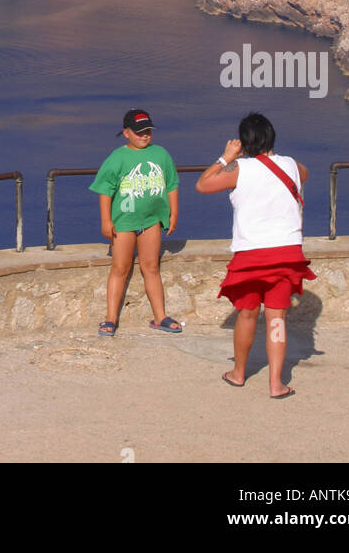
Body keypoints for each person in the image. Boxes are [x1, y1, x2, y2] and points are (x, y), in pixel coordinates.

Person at [196, 111, 316, 398]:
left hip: (251, 254)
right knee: (276, 319)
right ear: (271, 137)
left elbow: (203, 185)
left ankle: (238, 373)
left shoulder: (239, 170)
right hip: (286, 254)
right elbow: (305, 174)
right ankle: (276, 383)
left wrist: (226, 157)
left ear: (244, 142)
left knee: (247, 315)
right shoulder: (292, 166)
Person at [89, 109, 182, 336]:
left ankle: (160, 316)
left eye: (148, 131)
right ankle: (111, 318)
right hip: (124, 222)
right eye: (139, 132)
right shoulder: (117, 158)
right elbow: (105, 190)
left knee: (151, 267)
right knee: (120, 268)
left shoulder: (161, 154)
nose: (144, 136)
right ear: (126, 133)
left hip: (151, 221)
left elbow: (171, 184)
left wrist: (173, 213)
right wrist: (106, 220)